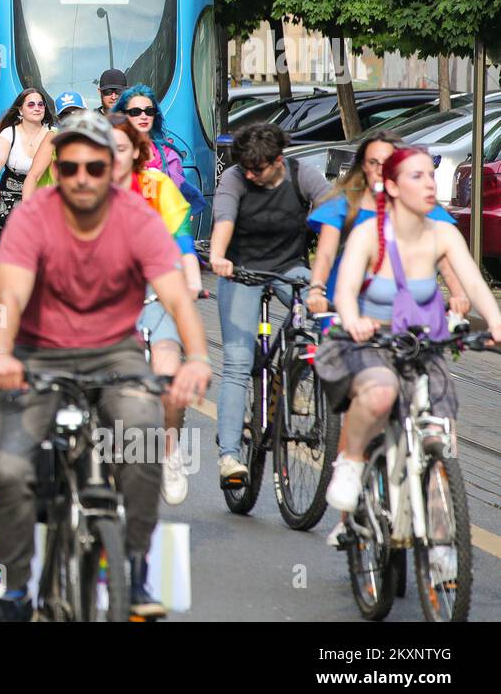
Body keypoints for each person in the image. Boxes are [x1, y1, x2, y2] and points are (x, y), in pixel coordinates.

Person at [0, 110, 212, 621]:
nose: (82, 178)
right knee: (11, 466)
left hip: (115, 351)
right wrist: (0, 353)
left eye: (94, 167)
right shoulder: (33, 216)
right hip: (36, 353)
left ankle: (135, 567)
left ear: (112, 168)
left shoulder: (137, 219)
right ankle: (18, 585)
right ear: (55, 170)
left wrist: (197, 358)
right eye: (69, 168)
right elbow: (9, 298)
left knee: (144, 441)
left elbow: (177, 297)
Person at [321, 146, 501, 514]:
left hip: (420, 344)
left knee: (440, 432)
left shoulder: (442, 233)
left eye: (431, 176)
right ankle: (351, 462)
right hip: (370, 341)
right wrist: (354, 319)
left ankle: (440, 539)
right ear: (392, 186)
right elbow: (345, 291)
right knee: (380, 393)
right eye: (416, 177)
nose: (429, 184)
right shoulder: (370, 232)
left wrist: (496, 323)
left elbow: (475, 284)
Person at [208, 122, 329, 486]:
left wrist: (324, 278)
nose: (250, 174)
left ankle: (299, 375)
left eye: (256, 168)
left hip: (289, 269)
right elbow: (224, 217)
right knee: (237, 363)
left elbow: (331, 220)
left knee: (323, 320)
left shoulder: (302, 175)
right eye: (245, 167)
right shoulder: (234, 179)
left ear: (277, 160)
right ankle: (229, 456)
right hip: (240, 270)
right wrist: (217, 256)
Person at [108, 112, 203, 505]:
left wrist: (192, 277)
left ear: (136, 152)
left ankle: (169, 452)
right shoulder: (80, 187)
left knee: (167, 374)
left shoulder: (156, 185)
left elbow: (181, 241)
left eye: (120, 148)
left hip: (153, 290)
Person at [308, 131, 466, 318]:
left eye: (387, 162)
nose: (379, 170)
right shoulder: (342, 206)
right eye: (373, 162)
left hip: (411, 311)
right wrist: (317, 289)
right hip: (345, 308)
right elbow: (325, 254)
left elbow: (444, 260)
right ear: (363, 166)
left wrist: (459, 294)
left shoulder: (423, 207)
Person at [0, 89, 50, 237]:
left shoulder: (51, 134)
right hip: (11, 196)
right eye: (31, 105)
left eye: (40, 104)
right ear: (20, 109)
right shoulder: (8, 133)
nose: (37, 108)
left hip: (41, 197)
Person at [20, 91, 87, 200]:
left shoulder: (94, 140)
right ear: (59, 119)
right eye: (65, 115)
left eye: (77, 113)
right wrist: (26, 211)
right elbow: (33, 176)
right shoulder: (53, 137)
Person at [114, 84, 185, 187]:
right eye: (135, 112)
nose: (144, 116)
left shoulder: (168, 155)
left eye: (149, 111)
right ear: (123, 115)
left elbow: (180, 194)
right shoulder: (110, 151)